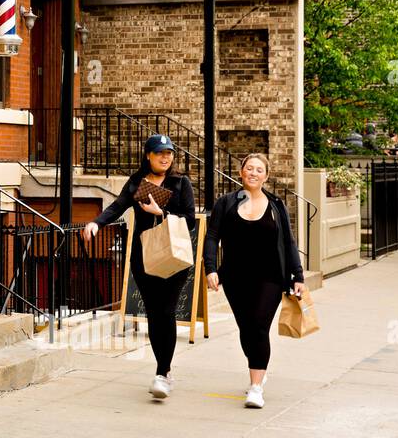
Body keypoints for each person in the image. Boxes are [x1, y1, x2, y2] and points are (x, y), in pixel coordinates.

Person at [83, 133, 195, 400]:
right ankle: (164, 370)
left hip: (174, 257)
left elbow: (190, 219)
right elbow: (118, 206)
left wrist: (161, 213)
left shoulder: (181, 183)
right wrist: (97, 223)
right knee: (155, 314)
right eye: (160, 153)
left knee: (167, 312)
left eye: (169, 153)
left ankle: (162, 372)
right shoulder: (136, 182)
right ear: (148, 155)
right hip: (144, 257)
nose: (165, 157)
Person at [204, 154, 306, 410]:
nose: (253, 173)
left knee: (259, 326)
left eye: (259, 170)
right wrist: (210, 268)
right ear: (241, 172)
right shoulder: (226, 203)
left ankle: (256, 387)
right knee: (247, 329)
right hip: (236, 277)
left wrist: (298, 275)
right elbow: (212, 237)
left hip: (271, 277)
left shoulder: (275, 205)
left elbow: (289, 242)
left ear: (266, 176)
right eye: (249, 168)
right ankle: (258, 364)